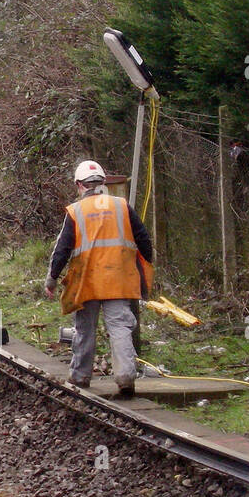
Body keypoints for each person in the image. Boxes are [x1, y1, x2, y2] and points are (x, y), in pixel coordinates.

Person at [43, 159, 153, 397]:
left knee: (84, 330)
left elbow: (62, 249)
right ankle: (125, 377)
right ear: (103, 182)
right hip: (119, 279)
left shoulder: (76, 211)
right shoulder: (121, 205)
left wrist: (51, 279)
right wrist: (147, 267)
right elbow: (143, 239)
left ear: (79, 185)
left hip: (88, 282)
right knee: (120, 328)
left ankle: (80, 377)